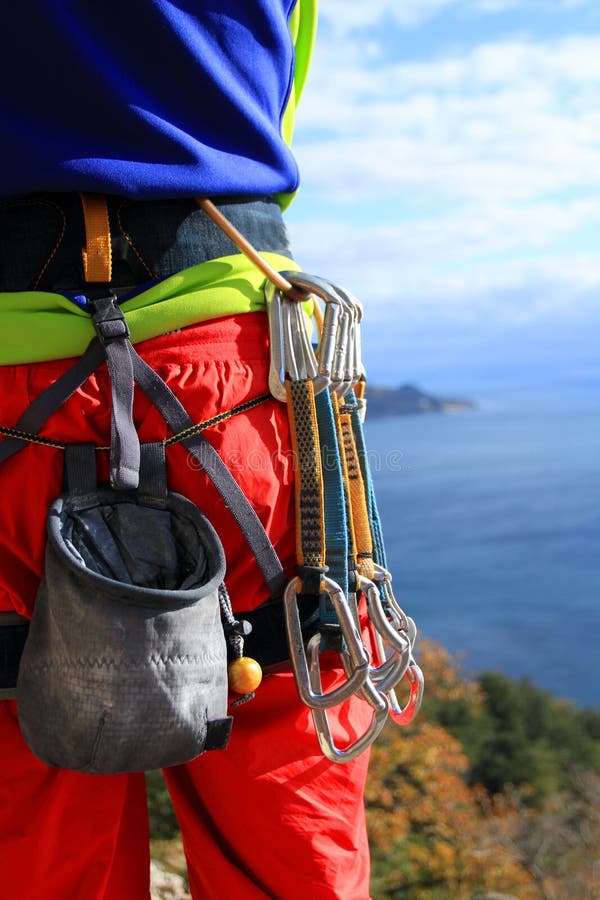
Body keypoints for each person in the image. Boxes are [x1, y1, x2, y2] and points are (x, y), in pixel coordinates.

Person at [0, 3, 376, 898]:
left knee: (26, 843)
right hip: (242, 375)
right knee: (289, 796)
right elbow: (278, 89)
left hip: (12, 374)